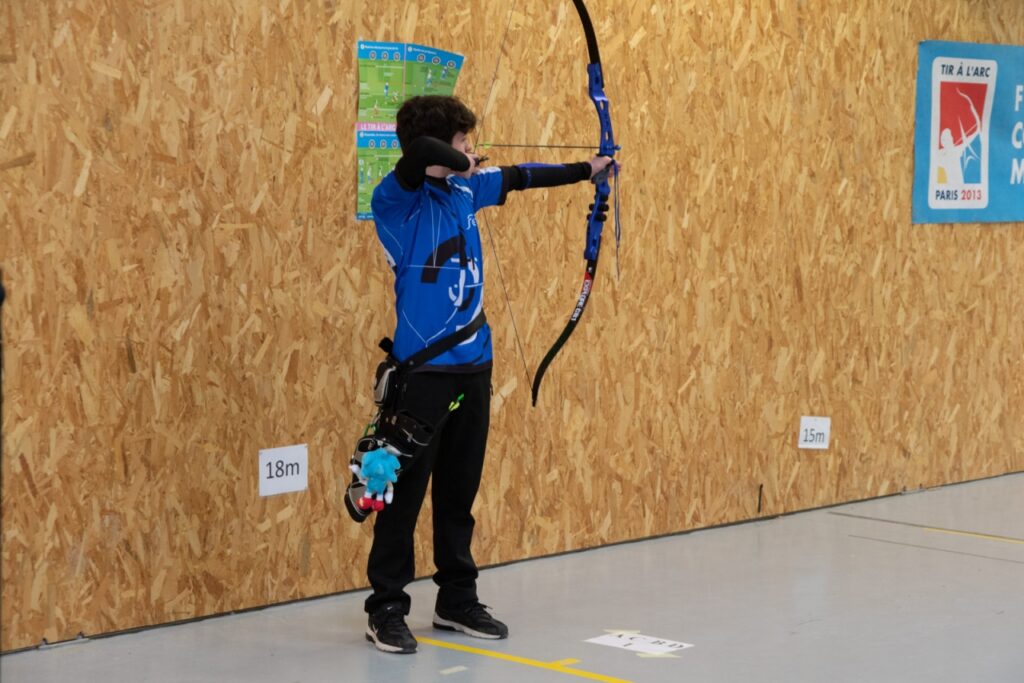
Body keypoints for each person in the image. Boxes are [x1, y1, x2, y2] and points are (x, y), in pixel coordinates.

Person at [363, 94, 614, 654]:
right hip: (423, 375)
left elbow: (525, 176)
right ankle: (386, 608)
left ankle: (456, 599)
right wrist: (459, 161)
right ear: (439, 150)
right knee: (402, 498)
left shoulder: (465, 191)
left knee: (459, 494)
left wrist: (588, 169)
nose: (471, 150)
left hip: (473, 369)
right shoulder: (397, 200)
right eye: (462, 142)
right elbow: (420, 154)